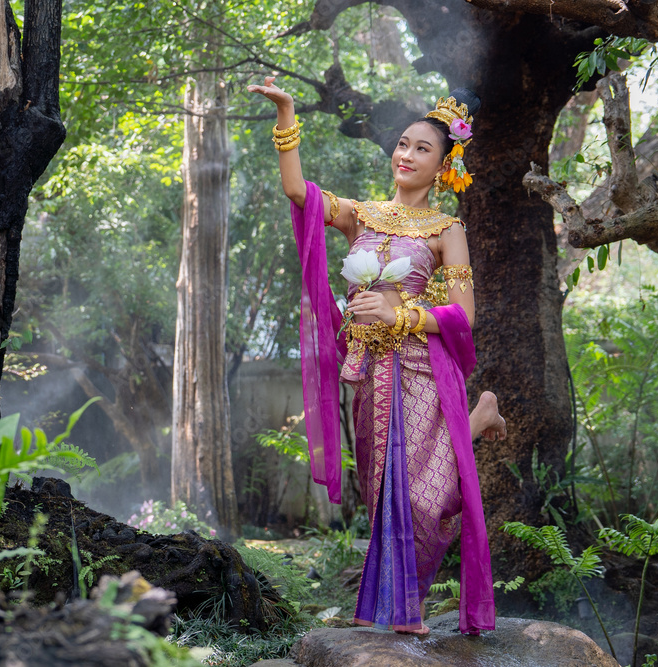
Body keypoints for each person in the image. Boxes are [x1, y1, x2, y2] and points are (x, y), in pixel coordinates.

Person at [248, 76, 500, 636]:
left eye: (422, 148)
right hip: (368, 371)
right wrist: (286, 114)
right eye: (403, 143)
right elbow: (298, 192)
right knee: (382, 489)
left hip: (421, 368)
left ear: (444, 166)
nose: (406, 154)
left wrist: (399, 314)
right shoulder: (361, 214)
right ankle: (395, 609)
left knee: (427, 500)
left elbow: (463, 315)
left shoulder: (447, 229)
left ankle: (477, 419)